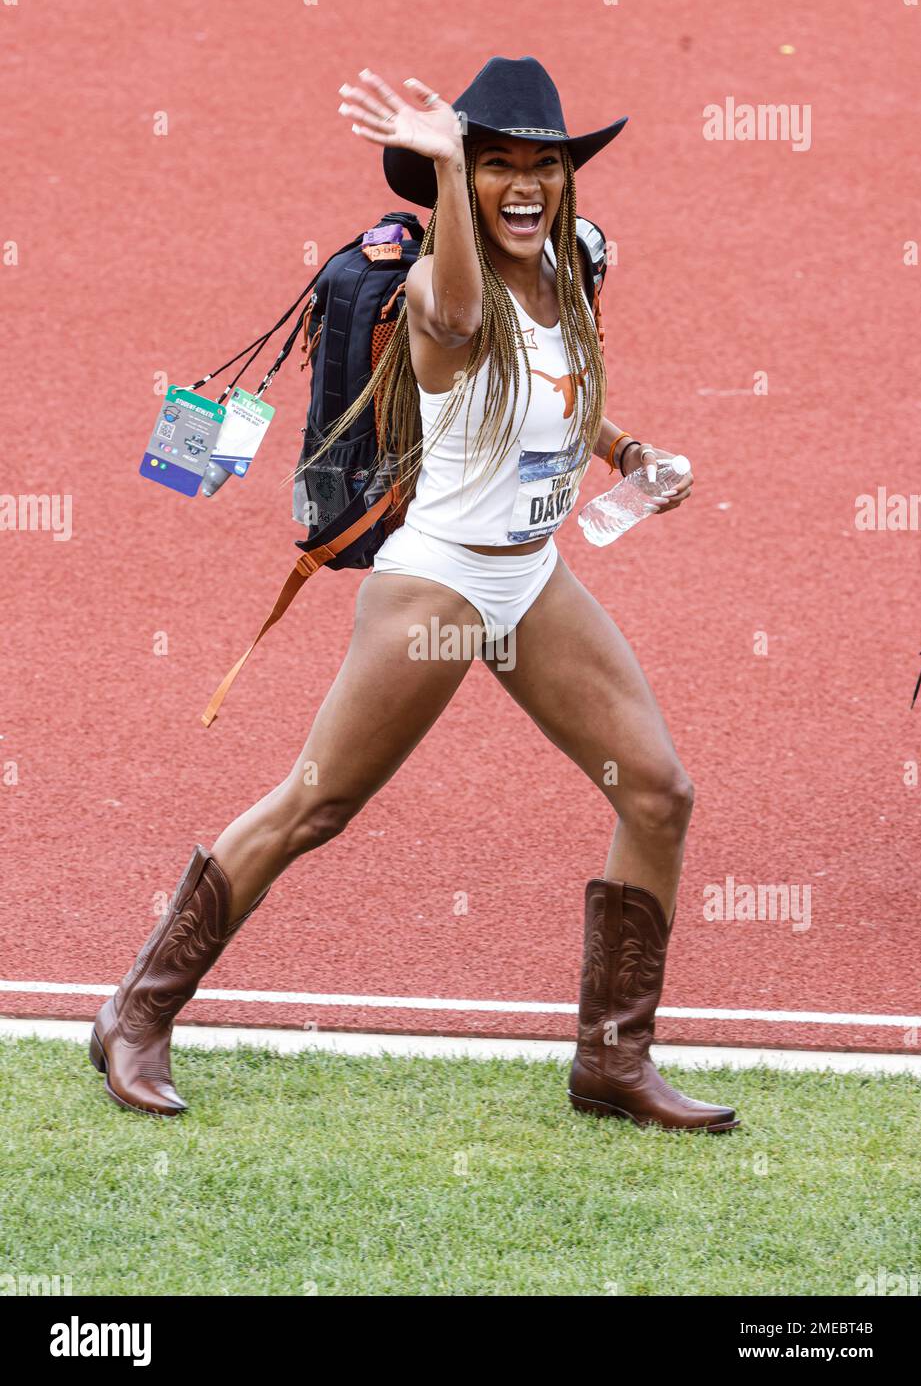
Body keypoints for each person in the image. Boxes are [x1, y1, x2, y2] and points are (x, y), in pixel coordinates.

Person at [90, 56, 738, 1133]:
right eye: (496, 167)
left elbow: (556, 397)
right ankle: (137, 1010)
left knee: (658, 793)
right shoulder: (446, 292)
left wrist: (626, 453)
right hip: (439, 582)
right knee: (317, 803)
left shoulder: (571, 262)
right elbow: (446, 324)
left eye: (543, 165)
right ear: (459, 178)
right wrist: (442, 174)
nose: (523, 186)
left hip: (529, 580)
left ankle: (612, 1061)